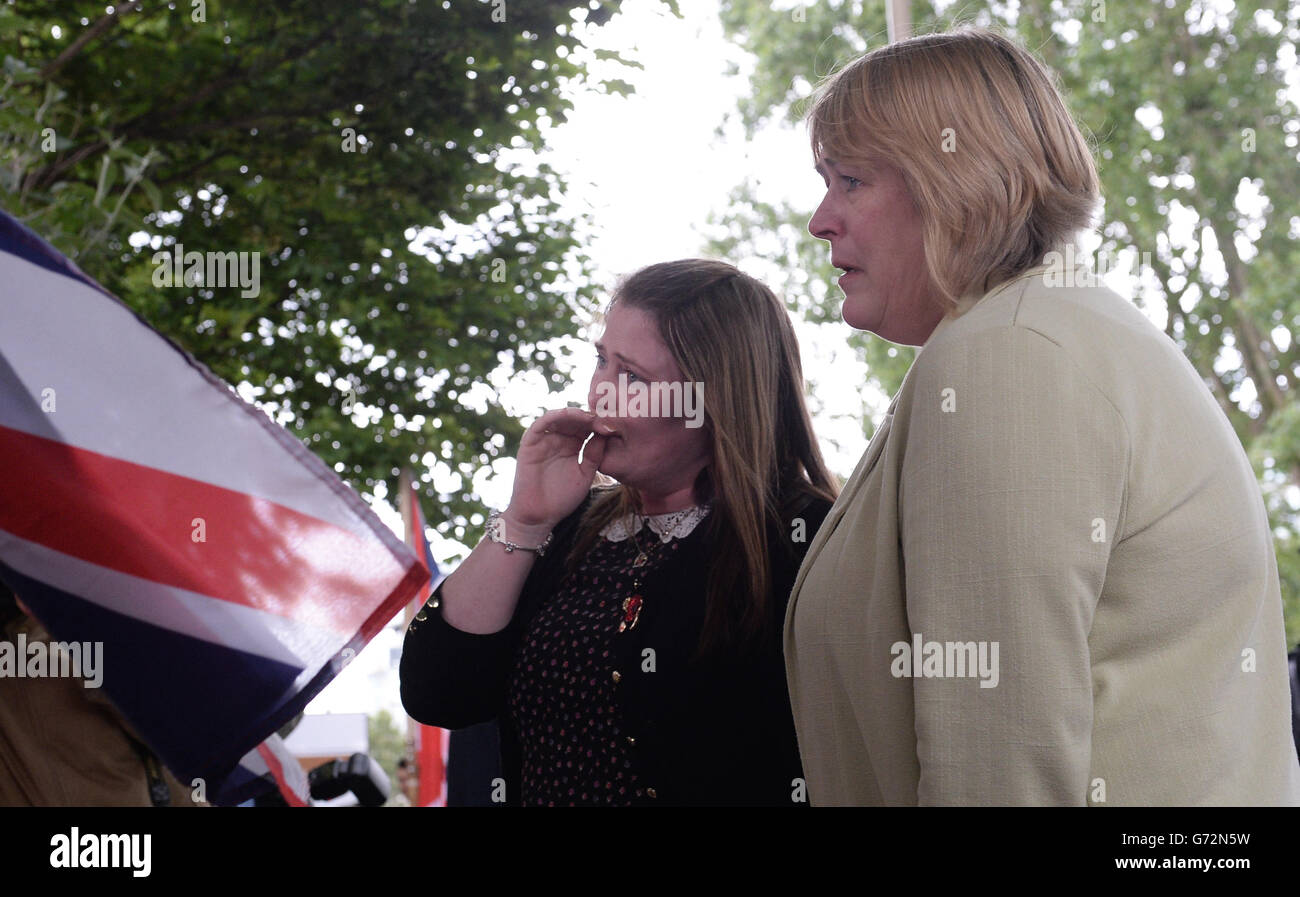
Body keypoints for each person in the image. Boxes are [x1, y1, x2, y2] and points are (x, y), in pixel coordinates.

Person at [784, 26, 1300, 805]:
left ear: (955, 176)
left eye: (849, 179)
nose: (821, 218)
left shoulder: (1008, 353)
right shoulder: (1048, 331)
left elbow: (998, 766)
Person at [401, 259, 837, 806]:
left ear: (714, 401)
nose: (600, 394)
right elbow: (439, 692)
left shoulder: (805, 537)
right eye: (601, 362)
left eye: (632, 376)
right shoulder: (570, 527)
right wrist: (524, 521)